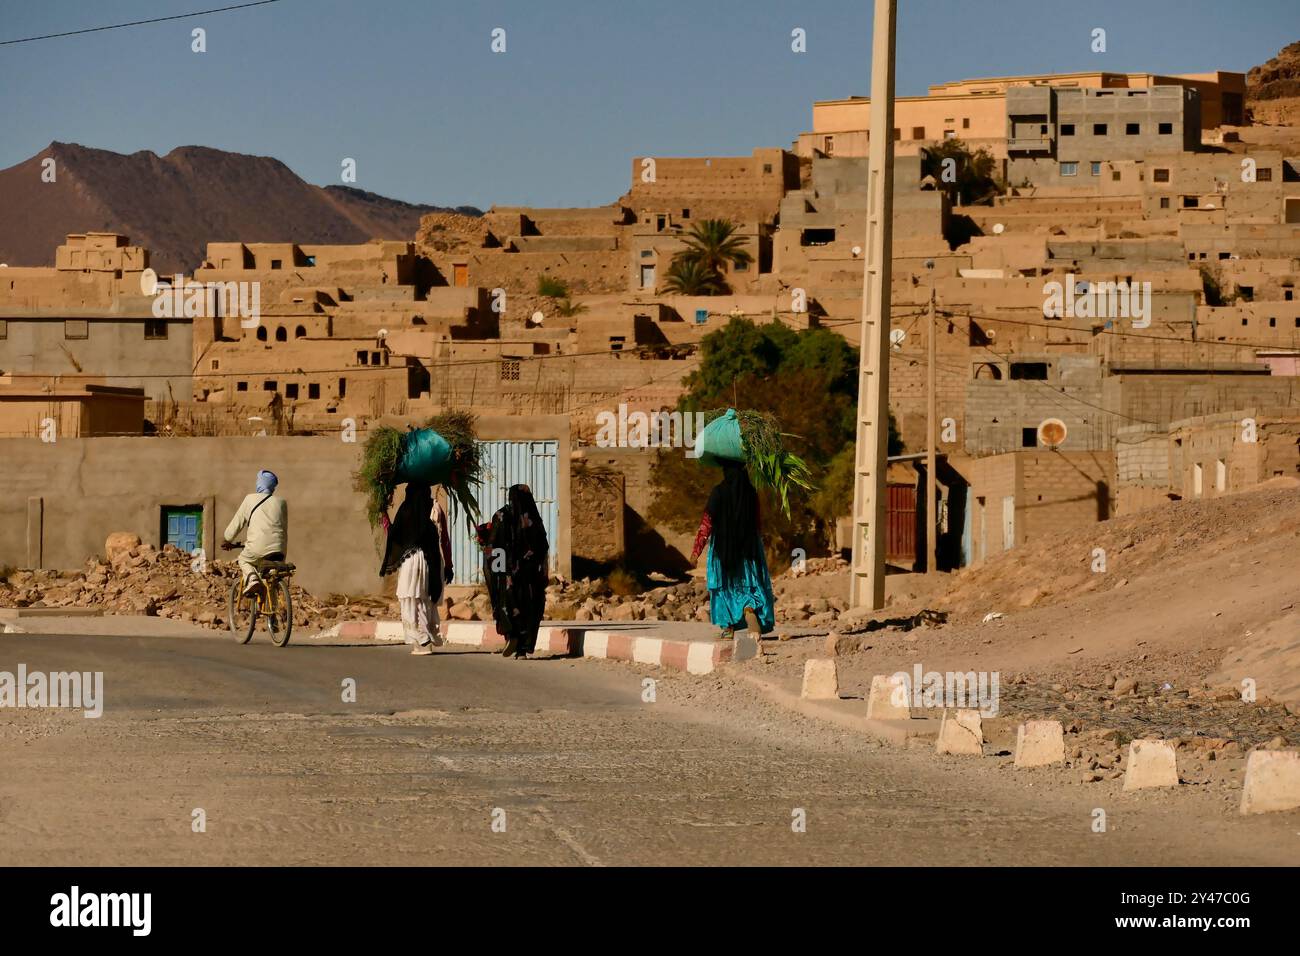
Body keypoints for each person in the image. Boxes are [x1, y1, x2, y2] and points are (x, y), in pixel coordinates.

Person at [690, 459, 775, 640]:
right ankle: (749, 608)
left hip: (723, 551)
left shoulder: (718, 492)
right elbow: (758, 524)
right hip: (749, 550)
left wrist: (696, 551)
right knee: (749, 585)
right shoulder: (751, 493)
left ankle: (728, 627)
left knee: (725, 587)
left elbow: (707, 524)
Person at [380, 482, 453, 656]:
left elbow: (392, 536)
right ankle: (425, 637)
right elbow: (445, 539)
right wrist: (449, 564)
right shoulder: (436, 508)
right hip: (433, 560)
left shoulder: (406, 510)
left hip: (411, 560)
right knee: (426, 600)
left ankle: (421, 639)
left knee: (412, 599)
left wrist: (383, 514)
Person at [483, 484, 549, 658]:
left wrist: (496, 572)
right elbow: (543, 548)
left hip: (507, 574)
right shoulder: (533, 518)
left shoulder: (501, 515)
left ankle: (511, 635)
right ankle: (523, 649)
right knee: (529, 609)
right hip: (529, 577)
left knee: (506, 604)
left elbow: (493, 546)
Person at [223, 469, 288, 598]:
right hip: (279, 550)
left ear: (260, 482)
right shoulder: (281, 502)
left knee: (243, 560)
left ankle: (252, 579)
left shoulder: (250, 499)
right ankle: (273, 614)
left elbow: (237, 523)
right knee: (272, 577)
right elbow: (284, 529)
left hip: (257, 548)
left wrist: (227, 539)